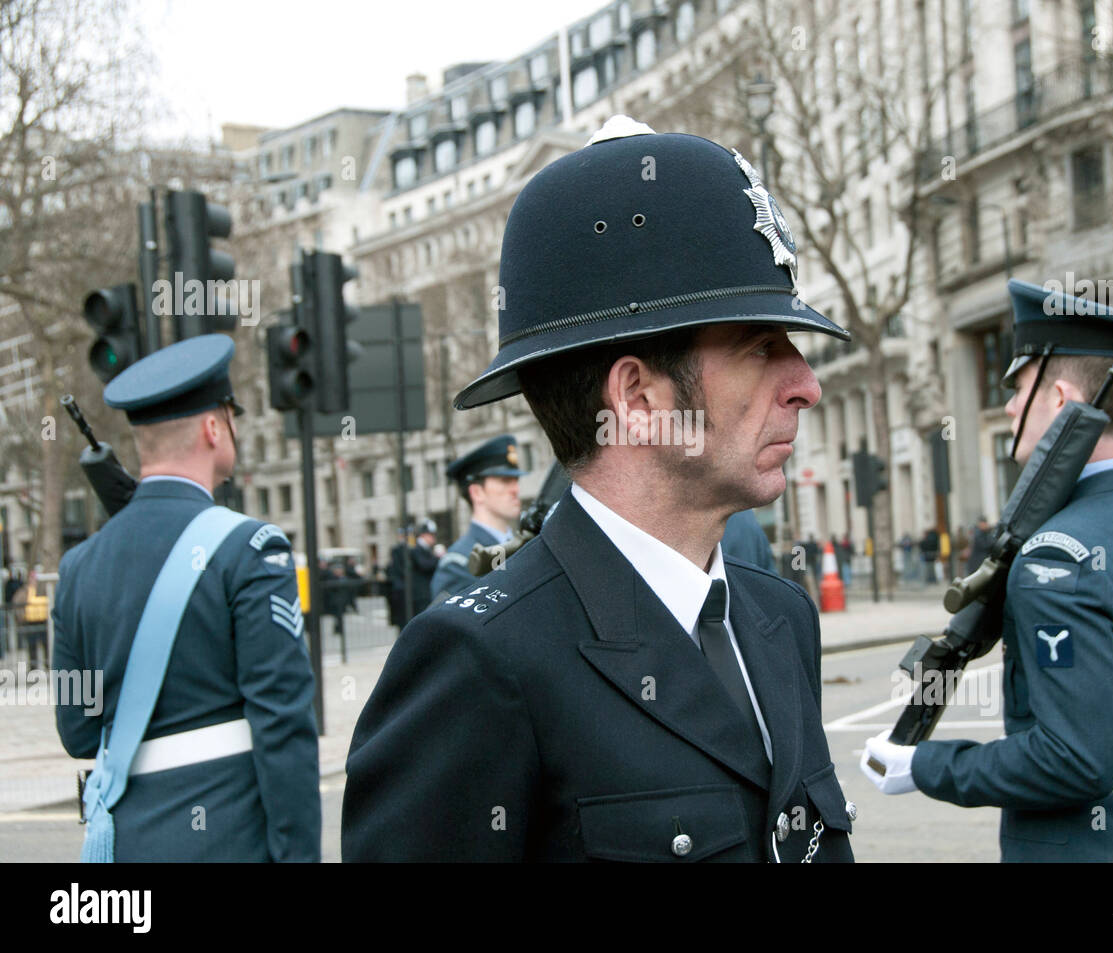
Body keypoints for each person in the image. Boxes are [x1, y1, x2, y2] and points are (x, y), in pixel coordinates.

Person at [343, 118, 857, 862]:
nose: (805, 383)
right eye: (760, 347)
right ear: (639, 398)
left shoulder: (779, 617)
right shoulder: (482, 662)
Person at [863, 278, 1113, 862]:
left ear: (1060, 400)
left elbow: (1073, 759)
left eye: (1018, 388)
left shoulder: (1057, 553)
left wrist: (926, 765)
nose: (1010, 405)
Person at [52, 335, 320, 862]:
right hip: (228, 841)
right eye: (231, 415)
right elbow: (283, 726)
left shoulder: (78, 567)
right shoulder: (251, 549)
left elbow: (79, 731)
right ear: (213, 427)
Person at [429, 437, 527, 602]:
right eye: (505, 481)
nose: (515, 489)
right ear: (477, 492)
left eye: (515, 481)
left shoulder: (524, 546)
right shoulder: (458, 564)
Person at [407, 520, 440, 615]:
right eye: (431, 535)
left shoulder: (426, 549)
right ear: (423, 535)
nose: (433, 538)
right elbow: (425, 565)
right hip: (420, 594)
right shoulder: (416, 549)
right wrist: (438, 558)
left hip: (426, 592)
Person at [385, 528, 411, 629]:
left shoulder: (408, 548)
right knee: (402, 615)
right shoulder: (397, 550)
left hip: (403, 586)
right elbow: (399, 567)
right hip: (400, 587)